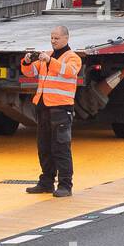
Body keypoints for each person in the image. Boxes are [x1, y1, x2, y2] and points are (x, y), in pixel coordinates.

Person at [19, 25, 81, 197]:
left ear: (66, 39)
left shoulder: (73, 58)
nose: (53, 41)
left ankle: (65, 185)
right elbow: (30, 72)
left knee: (61, 148)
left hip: (61, 108)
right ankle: (46, 182)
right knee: (44, 146)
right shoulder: (48, 56)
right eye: (52, 38)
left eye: (57, 38)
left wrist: (49, 61)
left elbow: (68, 72)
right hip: (44, 107)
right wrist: (26, 61)